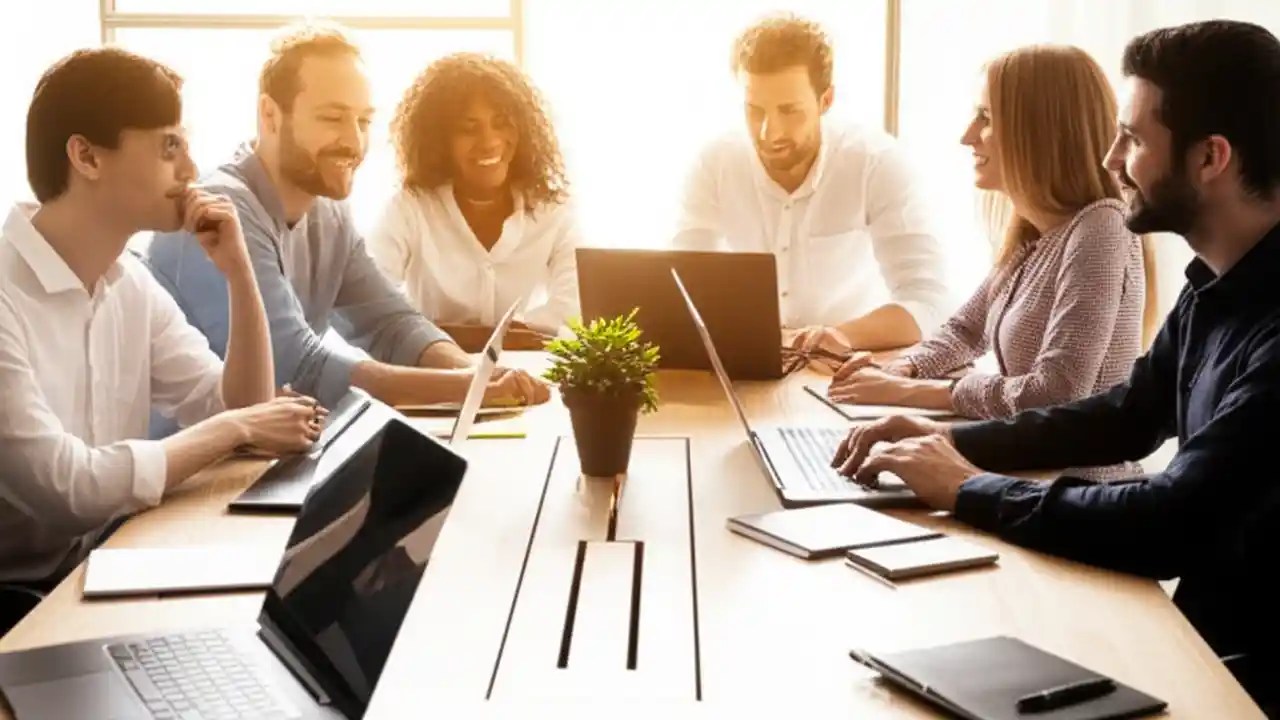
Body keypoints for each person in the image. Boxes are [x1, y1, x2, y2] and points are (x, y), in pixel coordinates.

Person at [831, 20, 1280, 716]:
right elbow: (1126, 417)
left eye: (1131, 138)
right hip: (1198, 643)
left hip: (1241, 681)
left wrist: (969, 488)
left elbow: (1171, 524)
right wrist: (944, 443)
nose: (1110, 158)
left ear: (1209, 158)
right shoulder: (1212, 287)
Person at [0, 48, 322, 587]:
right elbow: (68, 492)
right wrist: (236, 427)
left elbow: (243, 407)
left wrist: (239, 274)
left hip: (96, 568)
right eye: (169, 145)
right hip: (15, 602)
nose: (193, 171)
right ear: (87, 157)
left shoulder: (130, 282)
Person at [144, 22, 550, 425]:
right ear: (270, 115)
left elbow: (390, 323)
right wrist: (469, 389)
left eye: (363, 121)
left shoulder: (327, 209)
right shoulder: (221, 210)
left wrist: (476, 373)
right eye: (333, 118)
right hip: (190, 478)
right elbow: (297, 369)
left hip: (267, 461)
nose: (354, 143)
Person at [827, 45, 1157, 481]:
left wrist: (914, 392)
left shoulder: (1101, 228)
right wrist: (899, 367)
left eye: (986, 118)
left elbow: (1055, 392)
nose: (968, 135)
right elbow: (965, 329)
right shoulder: (1034, 235)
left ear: (1040, 130)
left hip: (1075, 491)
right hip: (1025, 474)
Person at [672, 12, 950, 353]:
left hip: (848, 367)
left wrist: (839, 337)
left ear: (826, 100)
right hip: (746, 365)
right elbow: (678, 285)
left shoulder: (877, 163)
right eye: (755, 110)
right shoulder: (714, 164)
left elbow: (930, 302)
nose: (768, 132)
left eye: (789, 111)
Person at [368, 52, 581, 351]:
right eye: (468, 128)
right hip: (435, 377)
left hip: (528, 379)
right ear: (440, 139)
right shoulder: (410, 208)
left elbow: (570, 316)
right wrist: (496, 338)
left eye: (501, 123)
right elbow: (371, 306)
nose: (490, 141)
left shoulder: (554, 212)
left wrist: (438, 331)